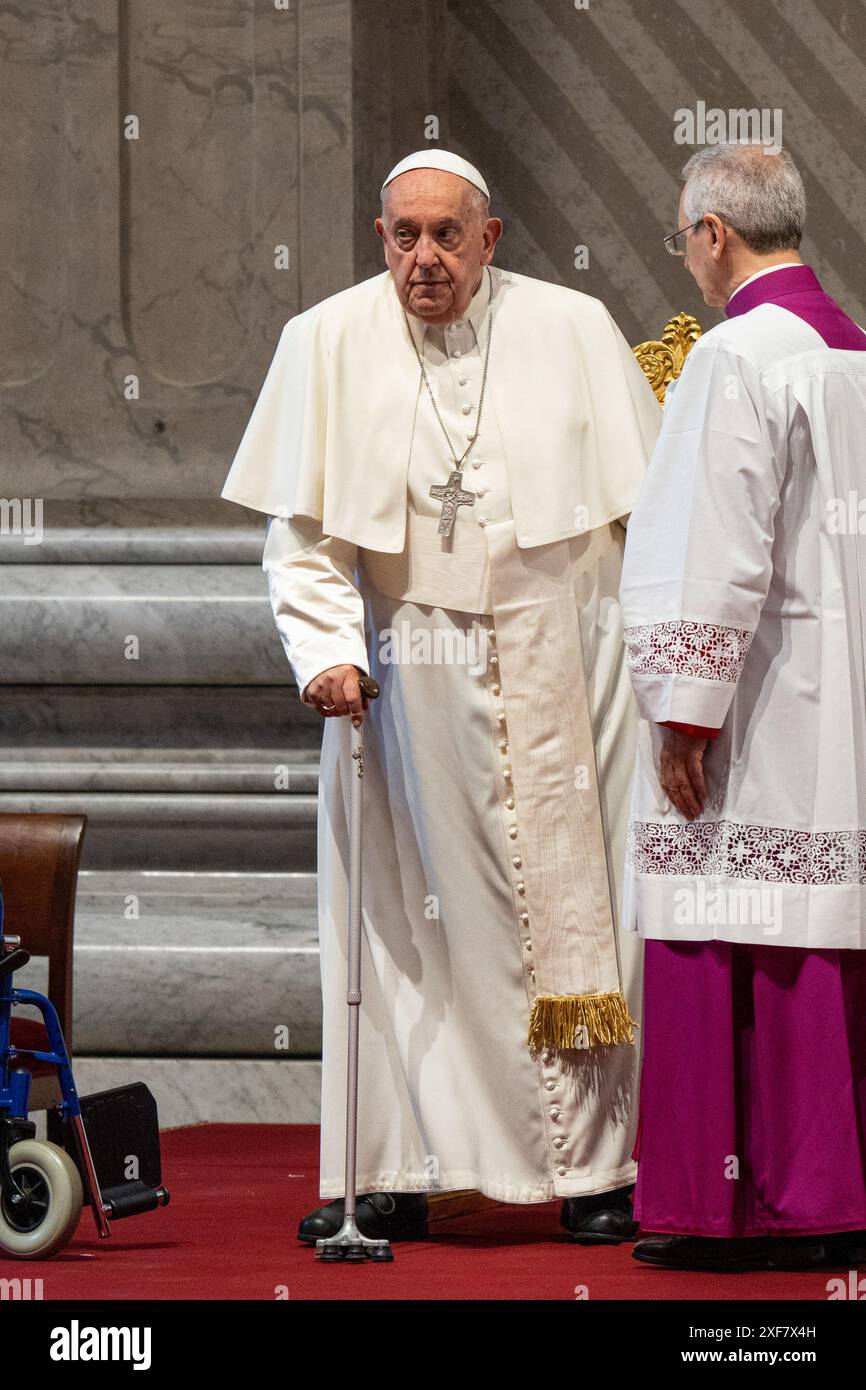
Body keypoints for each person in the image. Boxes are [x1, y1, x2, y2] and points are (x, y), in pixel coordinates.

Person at [223, 149, 660, 1245]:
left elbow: (639, 515)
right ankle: (396, 1167)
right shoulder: (323, 342)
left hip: (571, 666)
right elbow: (304, 533)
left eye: (445, 236)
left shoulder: (571, 328)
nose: (423, 259)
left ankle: (599, 1165)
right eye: (402, 236)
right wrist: (324, 648)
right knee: (401, 930)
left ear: (490, 236)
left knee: (591, 906)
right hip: (407, 693)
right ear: (380, 238)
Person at [620, 141, 866, 1271]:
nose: (689, 258)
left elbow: (710, 551)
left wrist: (685, 708)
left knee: (734, 928)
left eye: (685, 239)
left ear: (712, 233)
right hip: (839, 706)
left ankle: (742, 1210)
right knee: (820, 943)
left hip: (765, 709)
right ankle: (828, 1191)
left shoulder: (734, 357)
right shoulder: (850, 351)